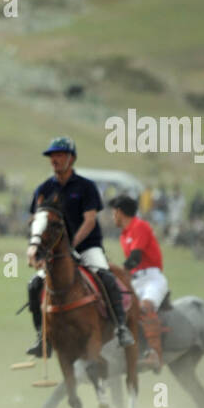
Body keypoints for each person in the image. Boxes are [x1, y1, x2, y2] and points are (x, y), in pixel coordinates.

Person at [23, 137, 134, 355]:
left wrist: (72, 245)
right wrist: (33, 248)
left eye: (60, 155)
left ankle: (121, 327)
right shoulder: (44, 189)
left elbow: (90, 219)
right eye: (52, 156)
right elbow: (37, 221)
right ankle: (42, 338)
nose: (55, 159)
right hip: (55, 252)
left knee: (106, 277)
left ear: (71, 159)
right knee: (34, 284)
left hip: (87, 246)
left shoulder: (86, 187)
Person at [110, 195, 167, 371]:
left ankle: (154, 354)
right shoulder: (124, 234)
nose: (113, 216)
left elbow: (135, 257)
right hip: (136, 281)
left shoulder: (139, 226)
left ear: (120, 212)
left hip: (152, 278)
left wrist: (118, 270)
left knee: (145, 307)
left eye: (114, 212)